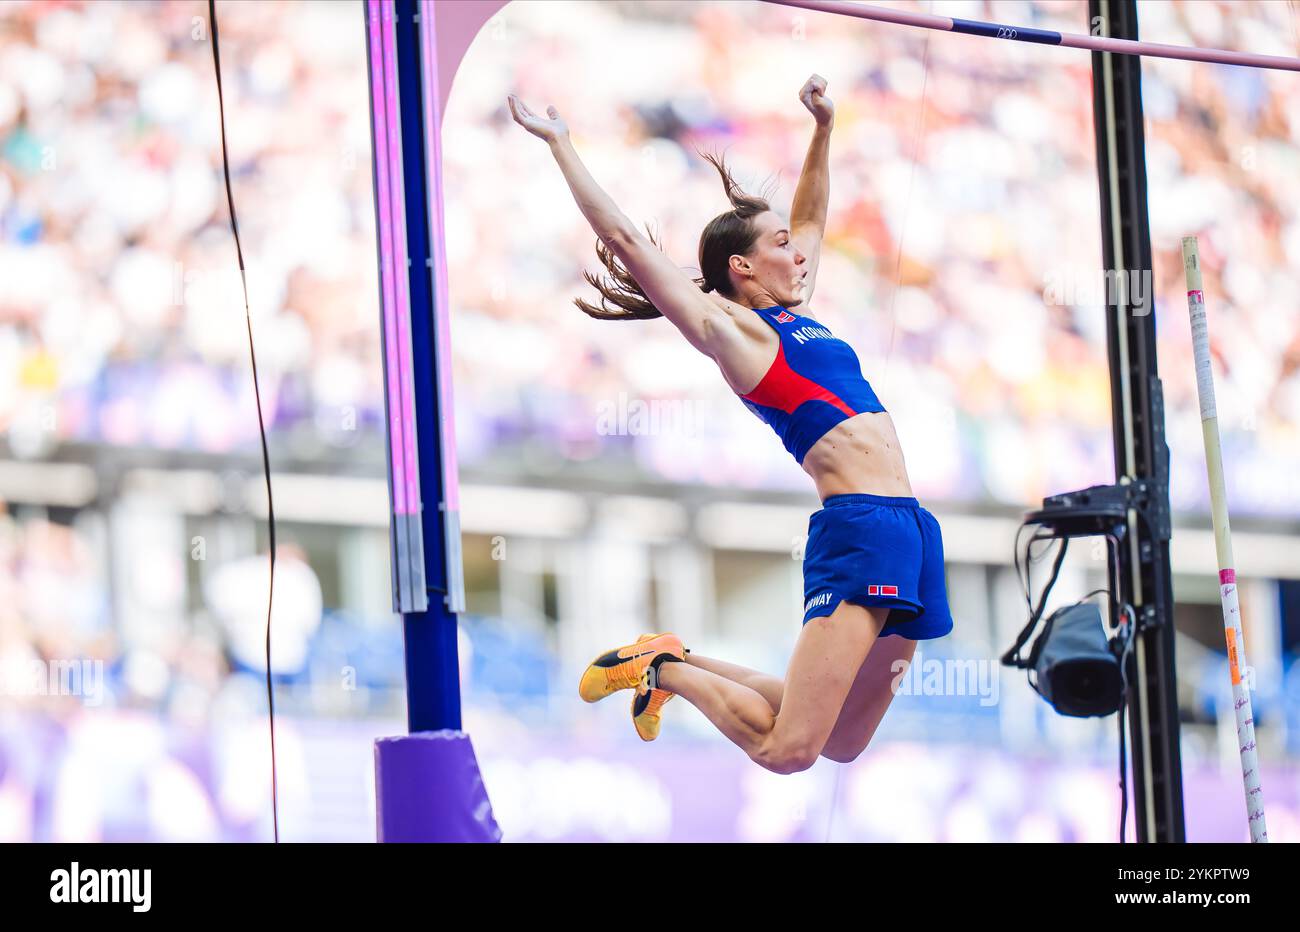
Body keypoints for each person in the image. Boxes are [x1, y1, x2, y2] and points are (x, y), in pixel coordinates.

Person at [508, 75, 952, 774]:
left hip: (913, 531)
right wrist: (562, 146)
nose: (801, 250)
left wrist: (823, 131)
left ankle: (666, 656)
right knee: (790, 749)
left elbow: (808, 214)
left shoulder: (795, 310)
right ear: (743, 267)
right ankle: (666, 675)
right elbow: (625, 239)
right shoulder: (735, 332)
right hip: (860, 528)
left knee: (841, 741)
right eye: (782, 243)